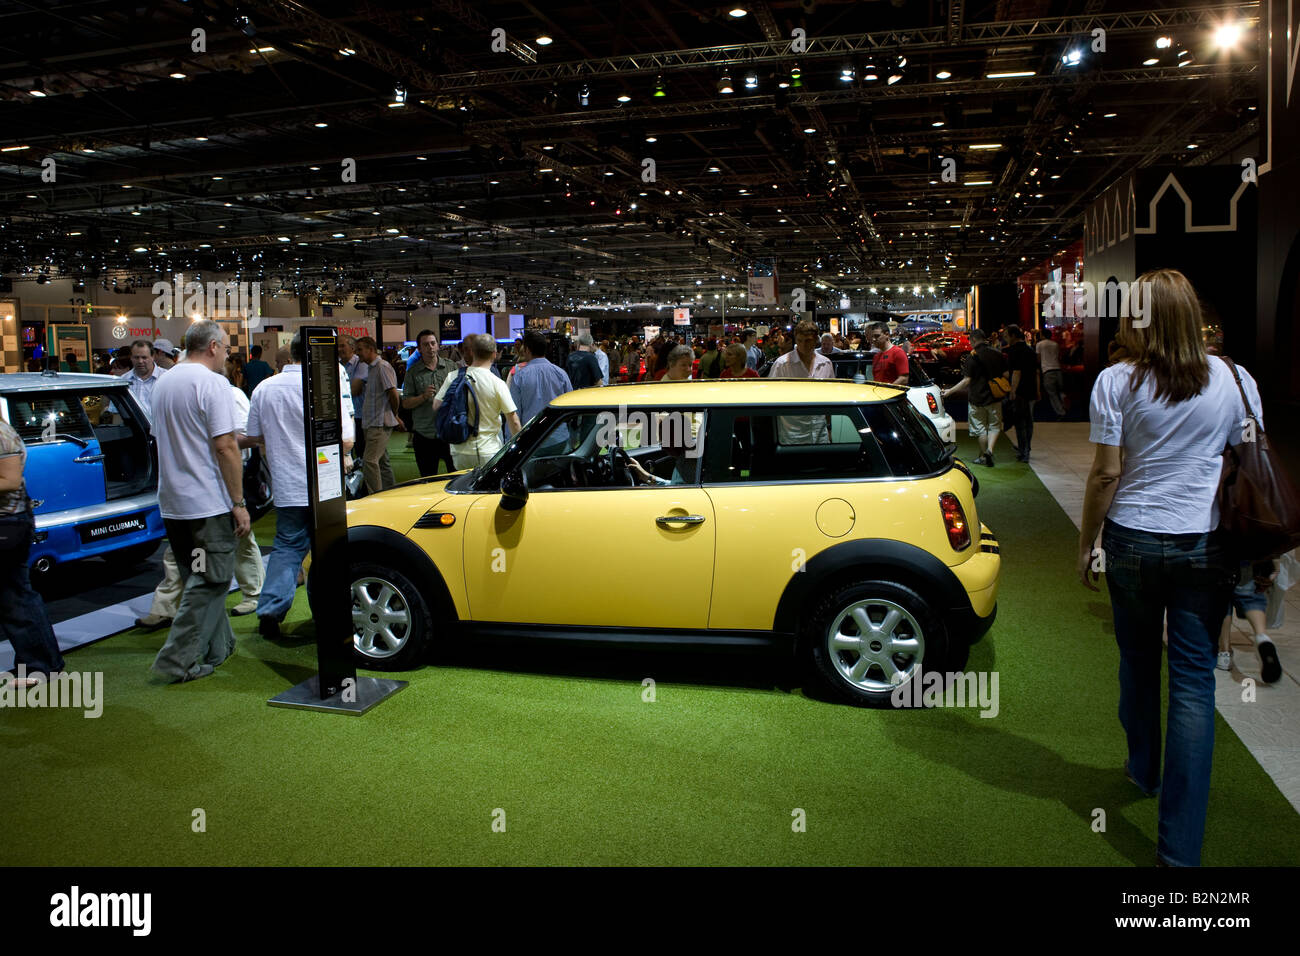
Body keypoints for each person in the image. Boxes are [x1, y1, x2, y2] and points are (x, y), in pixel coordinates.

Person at [1077, 268, 1260, 868]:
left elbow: (1106, 473)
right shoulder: (1235, 378)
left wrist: (1087, 544)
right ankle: (1179, 854)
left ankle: (1142, 770)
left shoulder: (1116, 380)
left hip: (1131, 540)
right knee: (1193, 683)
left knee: (1135, 660)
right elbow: (1249, 459)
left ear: (1139, 316)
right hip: (1203, 545)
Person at [147, 320, 250, 683]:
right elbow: (225, 446)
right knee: (211, 580)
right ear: (212, 347)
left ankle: (218, 648)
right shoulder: (212, 383)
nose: (226, 354)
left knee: (198, 577)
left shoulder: (164, 382)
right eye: (224, 347)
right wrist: (238, 502)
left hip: (174, 505)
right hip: (206, 505)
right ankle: (176, 662)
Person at [246, 332, 354, 640]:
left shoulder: (264, 389)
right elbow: (346, 440)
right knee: (327, 551)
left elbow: (254, 435)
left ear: (289, 356)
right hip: (326, 485)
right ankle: (326, 617)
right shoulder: (325, 386)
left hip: (287, 484)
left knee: (287, 548)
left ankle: (270, 611)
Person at [0, 415, 64, 688]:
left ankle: (42, 666)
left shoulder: (2, 435)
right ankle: (39, 664)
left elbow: (11, 480)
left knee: (15, 595)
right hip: (10, 522)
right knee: (13, 595)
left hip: (8, 523)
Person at [434, 334, 522, 471]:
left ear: (472, 352)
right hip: (488, 450)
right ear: (494, 354)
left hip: (459, 449)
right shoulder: (497, 383)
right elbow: (513, 420)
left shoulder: (454, 376)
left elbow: (436, 405)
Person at [942, 328, 1006, 466]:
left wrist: (949, 392)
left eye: (970, 341)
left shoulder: (972, 357)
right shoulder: (997, 353)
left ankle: (984, 456)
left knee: (980, 429)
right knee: (994, 426)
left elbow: (966, 381)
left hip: (977, 398)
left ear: (974, 340)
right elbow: (1006, 374)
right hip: (995, 396)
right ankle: (990, 450)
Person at [401, 328, 458, 477]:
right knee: (427, 479)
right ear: (419, 348)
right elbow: (405, 403)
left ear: (438, 345)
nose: (430, 347)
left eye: (433, 343)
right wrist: (423, 397)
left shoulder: (451, 367)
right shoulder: (412, 372)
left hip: (449, 433)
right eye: (426, 344)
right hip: (424, 435)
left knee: (456, 477)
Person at [1218, 561, 1284, 683]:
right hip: (1248, 556)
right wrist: (1275, 562)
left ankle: (1224, 653)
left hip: (1220, 553)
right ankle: (1262, 637)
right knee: (1251, 597)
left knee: (1222, 599)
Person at [510, 330, 572, 450]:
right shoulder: (561, 374)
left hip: (531, 441)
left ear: (527, 349)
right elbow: (570, 406)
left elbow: (515, 414)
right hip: (559, 438)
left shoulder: (519, 377)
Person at [356, 336, 400, 494]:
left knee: (369, 461)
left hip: (379, 423)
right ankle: (390, 492)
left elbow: (393, 394)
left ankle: (375, 496)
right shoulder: (372, 368)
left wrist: (394, 414)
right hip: (372, 423)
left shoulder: (382, 366)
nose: (357, 353)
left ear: (371, 349)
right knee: (382, 462)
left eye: (360, 349)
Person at [1002, 324, 1038, 462]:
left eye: (1006, 336)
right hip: (1031, 389)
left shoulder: (1014, 351)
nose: (1005, 339)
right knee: (1029, 421)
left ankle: (1024, 451)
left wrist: (1013, 390)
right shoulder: (1030, 350)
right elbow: (1036, 373)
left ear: (1013, 336)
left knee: (1020, 422)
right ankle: (1026, 448)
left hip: (1021, 391)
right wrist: (1038, 390)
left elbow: (1016, 372)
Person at [340, 335, 366, 466]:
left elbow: (355, 390)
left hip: (360, 416)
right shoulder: (336, 365)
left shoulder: (360, 363)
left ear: (352, 347)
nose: (339, 349)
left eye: (342, 345)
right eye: (337, 346)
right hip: (344, 418)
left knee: (362, 454)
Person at [126, 339, 167, 420]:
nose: (140, 361)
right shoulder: (124, 380)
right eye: (136, 357)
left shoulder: (166, 378)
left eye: (144, 357)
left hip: (160, 430)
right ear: (131, 358)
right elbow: (116, 412)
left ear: (152, 357)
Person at [1036, 330, 1066, 420]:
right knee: (1060, 390)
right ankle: (1064, 402)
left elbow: (1038, 359)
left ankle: (1061, 412)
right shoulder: (1055, 344)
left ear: (1043, 335)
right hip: (1058, 369)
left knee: (1052, 393)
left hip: (1047, 371)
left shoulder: (1040, 344)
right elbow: (1058, 356)